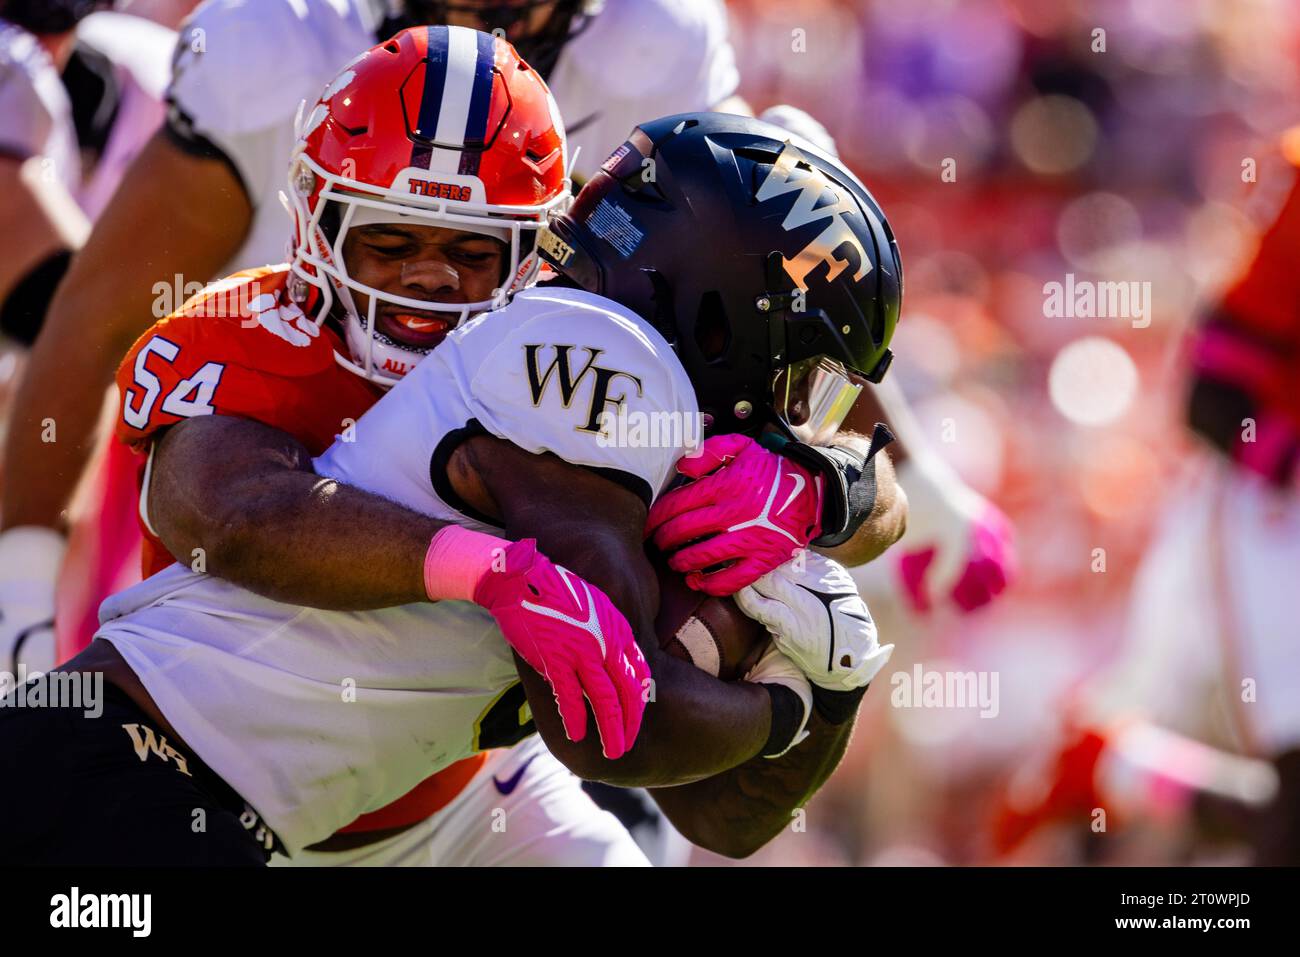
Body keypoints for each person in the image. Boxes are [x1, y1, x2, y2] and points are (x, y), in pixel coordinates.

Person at [0, 109, 904, 864]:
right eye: (805, 377)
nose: (430, 281)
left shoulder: (646, 418)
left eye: (472, 249)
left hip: (411, 796)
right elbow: (615, 725)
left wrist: (829, 512)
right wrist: (793, 698)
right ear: (723, 313)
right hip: (136, 763)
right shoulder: (597, 360)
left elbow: (726, 820)